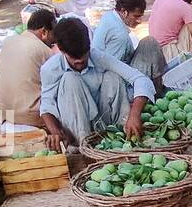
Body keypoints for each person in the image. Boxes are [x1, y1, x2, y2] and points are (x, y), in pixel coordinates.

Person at [39, 18, 155, 149]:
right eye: (74, 59)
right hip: (75, 129)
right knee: (70, 79)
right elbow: (46, 105)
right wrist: (55, 132)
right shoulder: (51, 69)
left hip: (103, 124)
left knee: (113, 77)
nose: (80, 62)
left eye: (84, 56)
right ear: (61, 50)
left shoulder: (99, 57)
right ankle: (83, 146)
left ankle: (122, 136)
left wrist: (134, 115)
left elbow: (140, 79)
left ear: (89, 46)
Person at [0, 9, 56, 129]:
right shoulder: (45, 51)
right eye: (53, 35)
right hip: (31, 118)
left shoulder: (8, 42)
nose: (54, 41)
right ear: (44, 32)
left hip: (5, 114)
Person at [92, 0, 166, 85]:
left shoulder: (109, 16)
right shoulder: (120, 35)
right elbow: (113, 67)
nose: (139, 21)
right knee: (150, 44)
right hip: (114, 80)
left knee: (148, 42)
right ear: (124, 11)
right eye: (136, 16)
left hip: (107, 70)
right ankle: (158, 90)